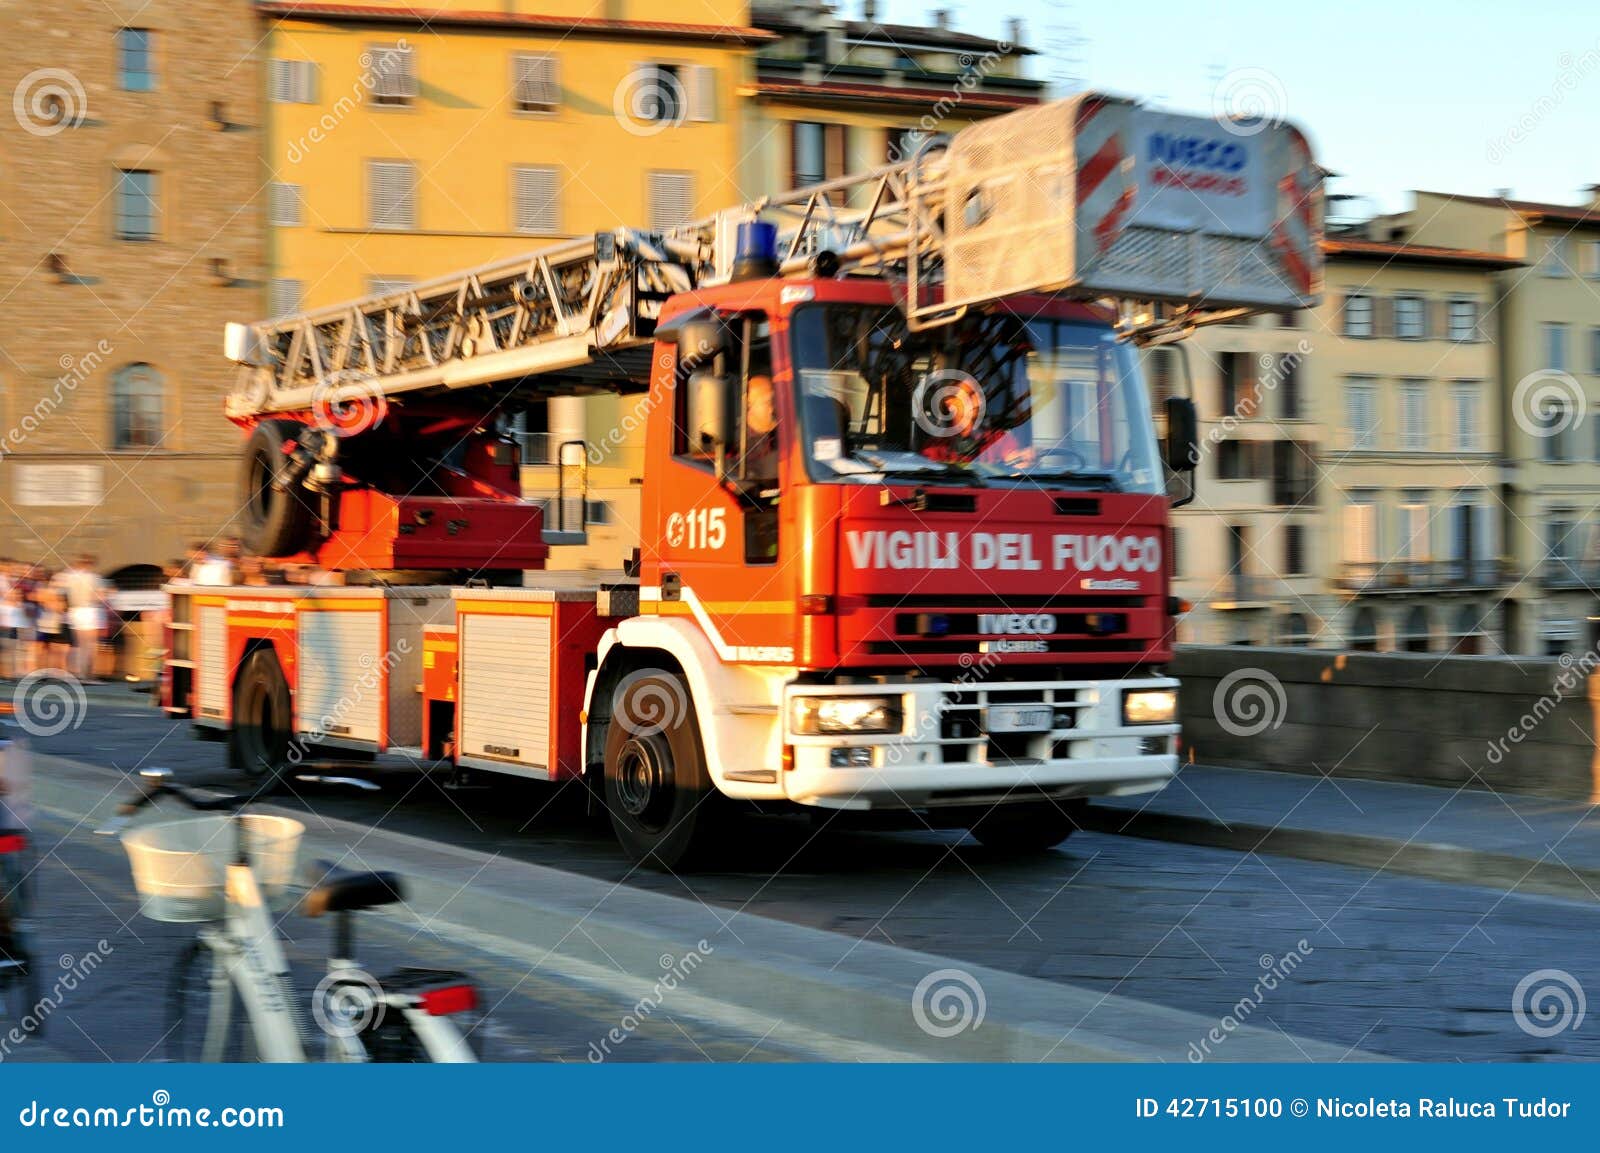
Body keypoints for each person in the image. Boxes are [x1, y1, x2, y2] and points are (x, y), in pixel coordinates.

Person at [56, 555, 109, 683]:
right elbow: (100, 596)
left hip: (75, 611)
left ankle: (78, 673)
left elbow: (61, 594)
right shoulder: (95, 577)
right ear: (90, 564)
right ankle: (88, 675)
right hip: (90, 610)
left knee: (79, 645)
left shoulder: (69, 577)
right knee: (90, 645)